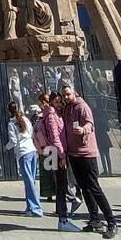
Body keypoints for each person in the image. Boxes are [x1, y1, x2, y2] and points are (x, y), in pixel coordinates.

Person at [61, 84, 116, 239]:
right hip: (74, 153)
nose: (66, 97)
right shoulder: (67, 109)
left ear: (74, 93)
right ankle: (94, 220)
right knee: (84, 188)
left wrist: (84, 129)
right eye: (64, 95)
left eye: (68, 94)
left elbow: (90, 123)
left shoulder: (82, 107)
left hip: (86, 153)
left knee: (94, 187)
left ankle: (111, 222)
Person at [36, 92, 81, 231]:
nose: (60, 104)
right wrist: (62, 156)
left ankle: (64, 212)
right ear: (51, 102)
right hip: (55, 153)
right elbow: (55, 137)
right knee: (60, 184)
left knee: (59, 183)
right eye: (57, 101)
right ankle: (63, 218)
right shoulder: (51, 116)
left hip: (54, 152)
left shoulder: (54, 114)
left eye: (60, 101)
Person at [5, 101, 43, 216]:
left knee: (28, 181)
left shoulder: (12, 123)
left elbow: (13, 141)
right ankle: (30, 206)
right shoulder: (25, 119)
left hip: (23, 152)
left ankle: (36, 209)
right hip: (31, 150)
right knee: (31, 180)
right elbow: (31, 133)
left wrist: (6, 148)